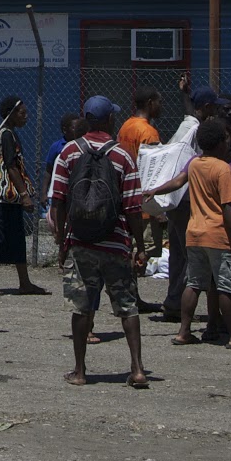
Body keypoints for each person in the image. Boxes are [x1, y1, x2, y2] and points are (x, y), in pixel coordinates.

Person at [50, 94, 148, 388]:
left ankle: (80, 371)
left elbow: (57, 201)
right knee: (127, 306)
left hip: (80, 243)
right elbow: (133, 206)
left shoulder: (67, 153)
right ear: (109, 119)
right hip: (115, 242)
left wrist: (62, 241)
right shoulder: (122, 156)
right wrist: (138, 245)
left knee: (82, 306)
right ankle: (138, 369)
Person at [147, 118, 231, 349]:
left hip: (195, 234)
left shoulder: (194, 164)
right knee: (225, 286)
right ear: (221, 143)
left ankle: (184, 331)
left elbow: (178, 182)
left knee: (194, 284)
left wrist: (154, 190)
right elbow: (230, 208)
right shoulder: (223, 170)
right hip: (218, 236)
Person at [159, 81, 217, 322]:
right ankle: (177, 303)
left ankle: (173, 300)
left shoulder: (188, 124)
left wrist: (184, 94)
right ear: (206, 107)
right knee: (188, 255)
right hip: (184, 199)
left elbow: (190, 113)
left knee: (178, 254)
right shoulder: (195, 130)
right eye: (214, 107)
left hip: (176, 201)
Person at [0, 96, 46, 295]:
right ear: (11, 114)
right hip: (2, 196)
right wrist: (24, 194)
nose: (26, 117)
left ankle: (24, 282)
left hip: (11, 198)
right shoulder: (6, 135)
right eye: (22, 113)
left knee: (18, 238)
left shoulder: (12, 134)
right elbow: (10, 167)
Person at [118, 86, 163, 268]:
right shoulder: (148, 132)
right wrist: (159, 209)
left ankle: (131, 292)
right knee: (146, 249)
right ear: (150, 103)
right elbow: (156, 169)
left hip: (128, 196)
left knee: (131, 248)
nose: (161, 107)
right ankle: (129, 293)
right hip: (145, 200)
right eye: (160, 103)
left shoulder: (125, 126)